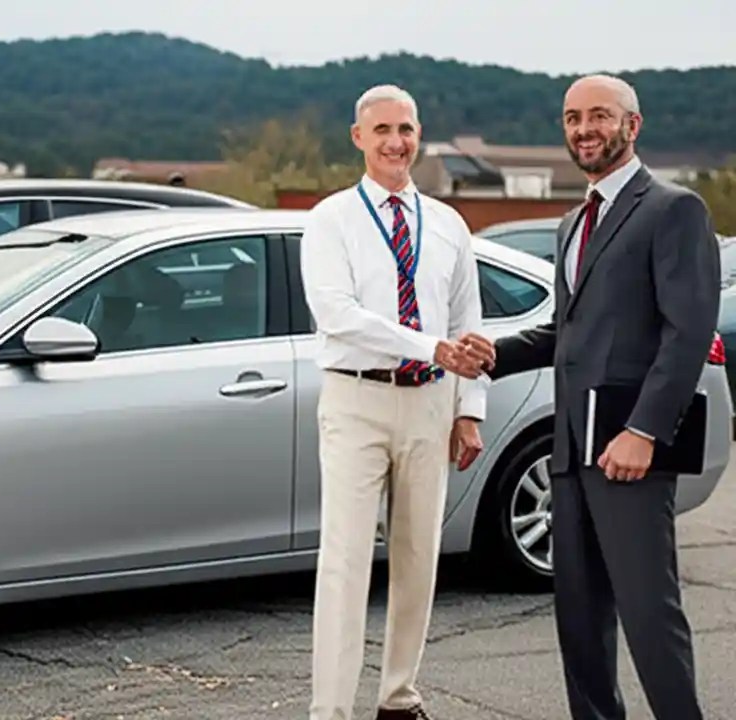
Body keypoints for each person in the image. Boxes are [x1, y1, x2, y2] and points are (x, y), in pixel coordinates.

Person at [485, 74, 716, 719]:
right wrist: (490, 355)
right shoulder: (571, 223)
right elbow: (567, 331)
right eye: (571, 118)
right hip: (569, 453)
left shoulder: (673, 209)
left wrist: (643, 431)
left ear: (632, 126)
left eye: (599, 116)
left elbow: (687, 331)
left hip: (629, 452)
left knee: (649, 618)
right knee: (580, 626)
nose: (583, 129)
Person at [302, 84, 493, 720]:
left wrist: (470, 409)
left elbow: (469, 320)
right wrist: (429, 345)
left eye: (406, 129)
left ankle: (398, 697)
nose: (395, 142)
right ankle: (329, 711)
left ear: (420, 135)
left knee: (419, 558)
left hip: (430, 405)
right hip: (357, 400)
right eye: (382, 129)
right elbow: (338, 314)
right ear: (358, 138)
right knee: (346, 560)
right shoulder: (332, 220)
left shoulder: (447, 223)